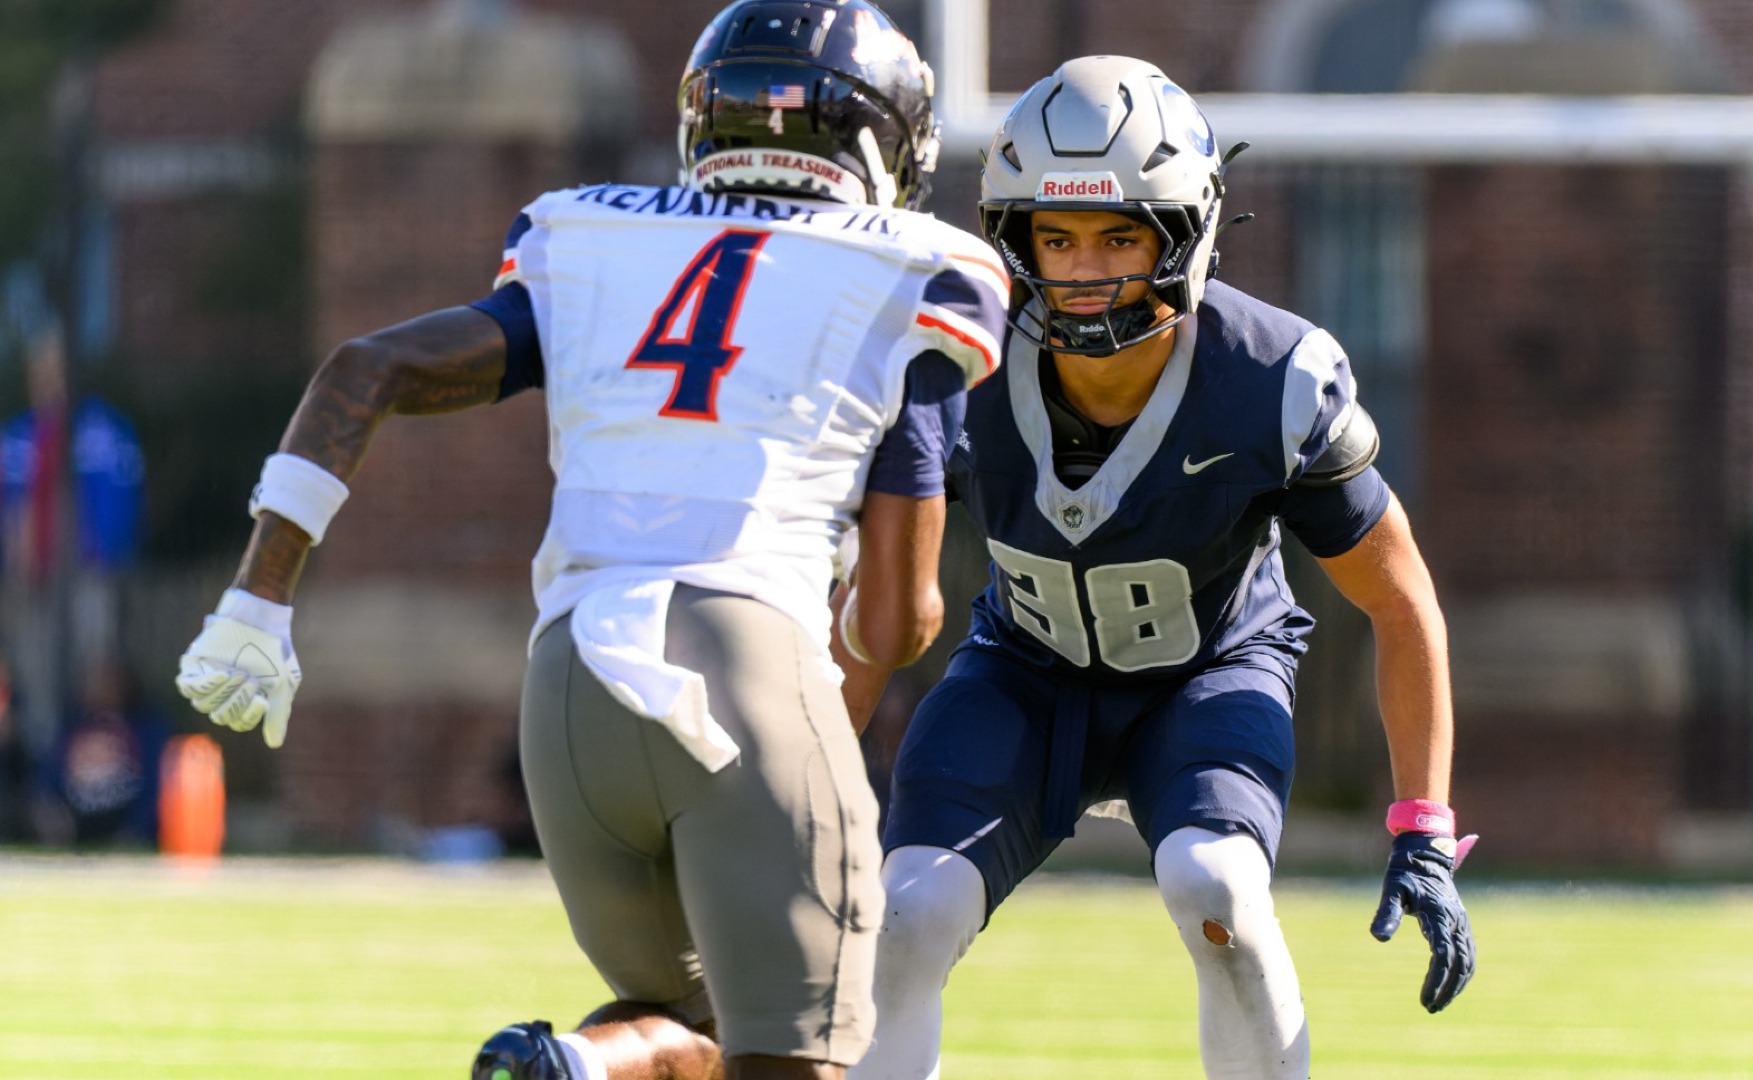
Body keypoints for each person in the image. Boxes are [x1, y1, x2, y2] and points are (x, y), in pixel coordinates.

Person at [174, 3, 1007, 1078]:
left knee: (691, 1025)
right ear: (880, 141)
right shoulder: (920, 269)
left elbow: (362, 371)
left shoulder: (590, 232)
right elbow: (903, 613)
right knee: (800, 1053)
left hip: (567, 687)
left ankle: (573, 1064)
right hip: (748, 659)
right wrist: (819, 718)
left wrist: (258, 601)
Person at [843, 57, 1477, 1080]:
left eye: (1119, 236)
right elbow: (873, 600)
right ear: (1016, 240)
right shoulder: (958, 361)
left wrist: (1423, 828)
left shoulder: (1269, 378)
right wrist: (802, 781)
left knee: (1215, 888)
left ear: (1184, 234)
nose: (1085, 269)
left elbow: (1401, 601)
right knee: (908, 915)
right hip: (1022, 673)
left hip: (1210, 675)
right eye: (1057, 236)